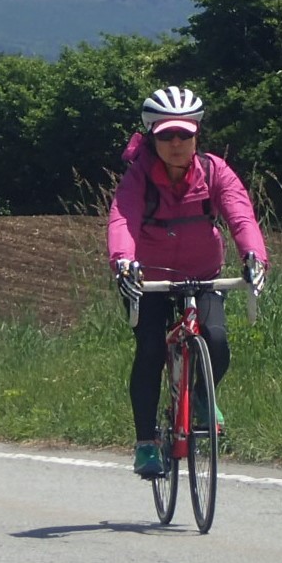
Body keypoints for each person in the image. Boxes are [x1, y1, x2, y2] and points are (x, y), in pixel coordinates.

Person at [108, 86, 267, 478]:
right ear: (152, 137)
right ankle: (146, 442)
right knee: (149, 351)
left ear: (197, 134)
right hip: (149, 279)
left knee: (216, 339)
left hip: (203, 274)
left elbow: (240, 215)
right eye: (166, 136)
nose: (177, 144)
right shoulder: (139, 177)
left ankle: (200, 398)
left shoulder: (214, 170)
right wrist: (124, 263)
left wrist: (253, 257)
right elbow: (122, 220)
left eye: (184, 134)